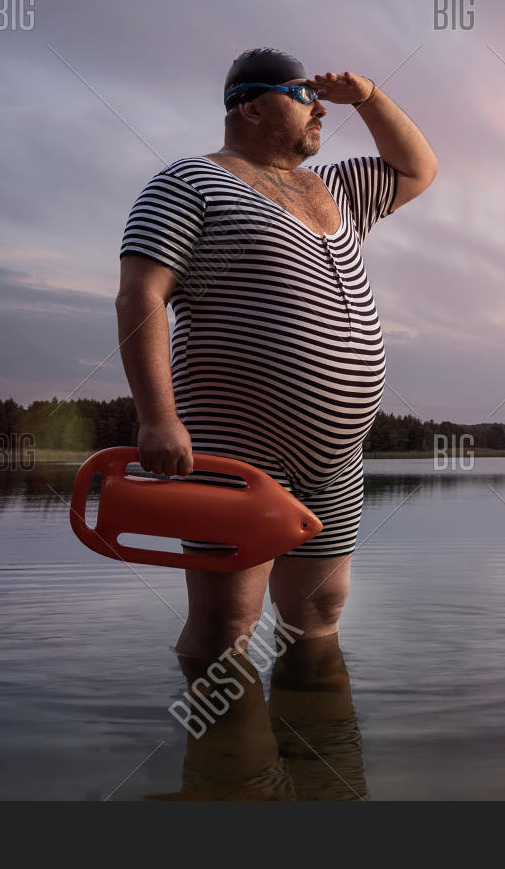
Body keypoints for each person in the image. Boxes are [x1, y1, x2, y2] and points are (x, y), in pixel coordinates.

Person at [117, 48, 437, 659]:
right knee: (226, 623)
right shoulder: (190, 182)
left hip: (336, 457)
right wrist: (158, 419)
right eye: (302, 96)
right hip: (236, 445)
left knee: (318, 610)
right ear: (252, 106)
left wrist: (367, 96)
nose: (320, 109)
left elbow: (418, 167)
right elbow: (140, 295)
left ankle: (319, 746)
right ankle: (225, 754)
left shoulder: (335, 189)